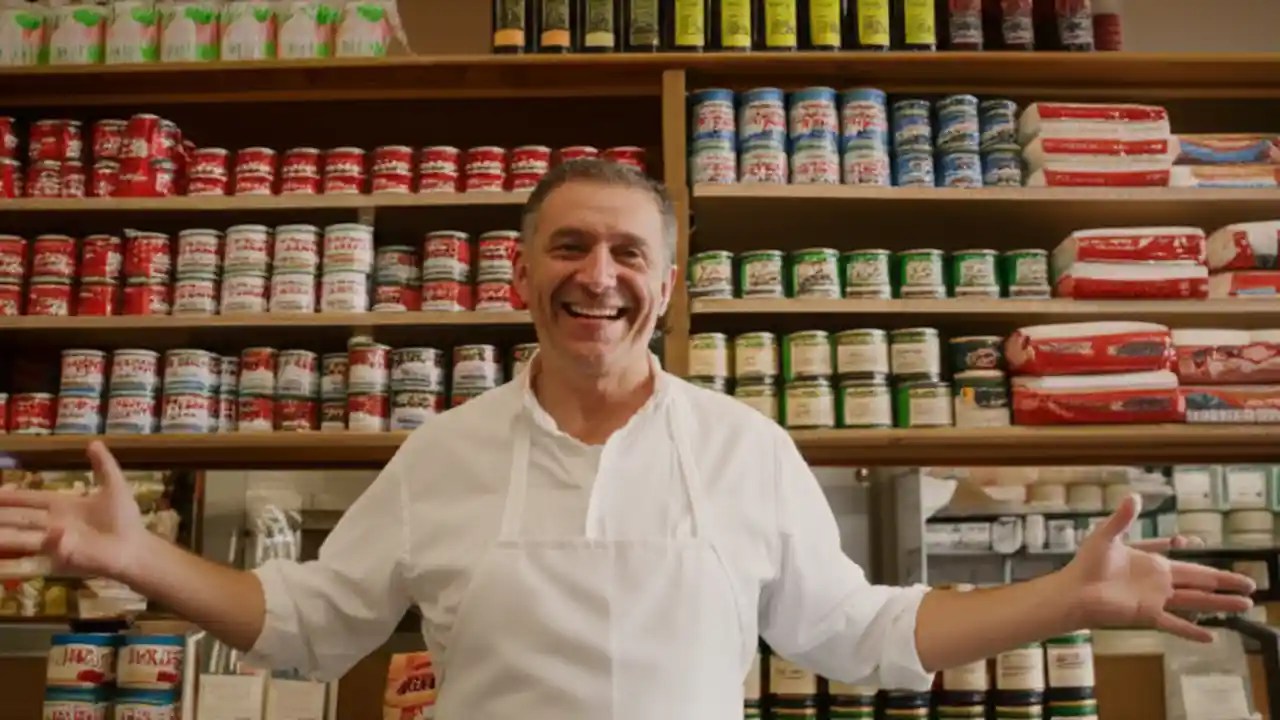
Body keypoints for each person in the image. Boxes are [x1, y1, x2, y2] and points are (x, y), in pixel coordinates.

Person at [0, 160, 1256, 717]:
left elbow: (865, 635)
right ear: (522, 274)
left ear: (662, 284)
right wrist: (137, 561)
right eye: (567, 246)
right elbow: (314, 625)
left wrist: (1063, 596)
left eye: (625, 252)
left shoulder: (743, 445)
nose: (595, 274)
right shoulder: (440, 450)